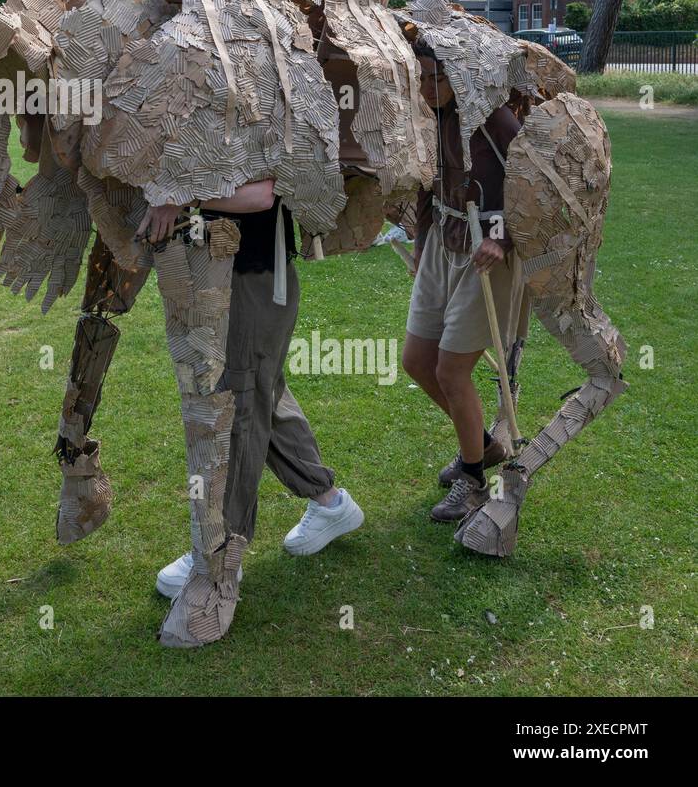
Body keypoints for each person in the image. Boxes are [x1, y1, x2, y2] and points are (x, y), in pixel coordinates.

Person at [139, 178, 364, 600]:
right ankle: (329, 501)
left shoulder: (264, 111)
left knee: (240, 406)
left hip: (255, 278)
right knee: (264, 393)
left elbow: (263, 193)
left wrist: (180, 196)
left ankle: (221, 553)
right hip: (219, 274)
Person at [400, 48, 522, 525]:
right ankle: (485, 448)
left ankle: (472, 478)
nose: (426, 85)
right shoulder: (431, 117)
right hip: (441, 246)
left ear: (456, 73)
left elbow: (538, 184)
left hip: (486, 256)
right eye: (421, 76)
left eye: (434, 76)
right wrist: (420, 239)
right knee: (416, 362)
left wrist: (504, 237)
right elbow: (429, 184)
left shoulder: (497, 122)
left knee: (452, 371)